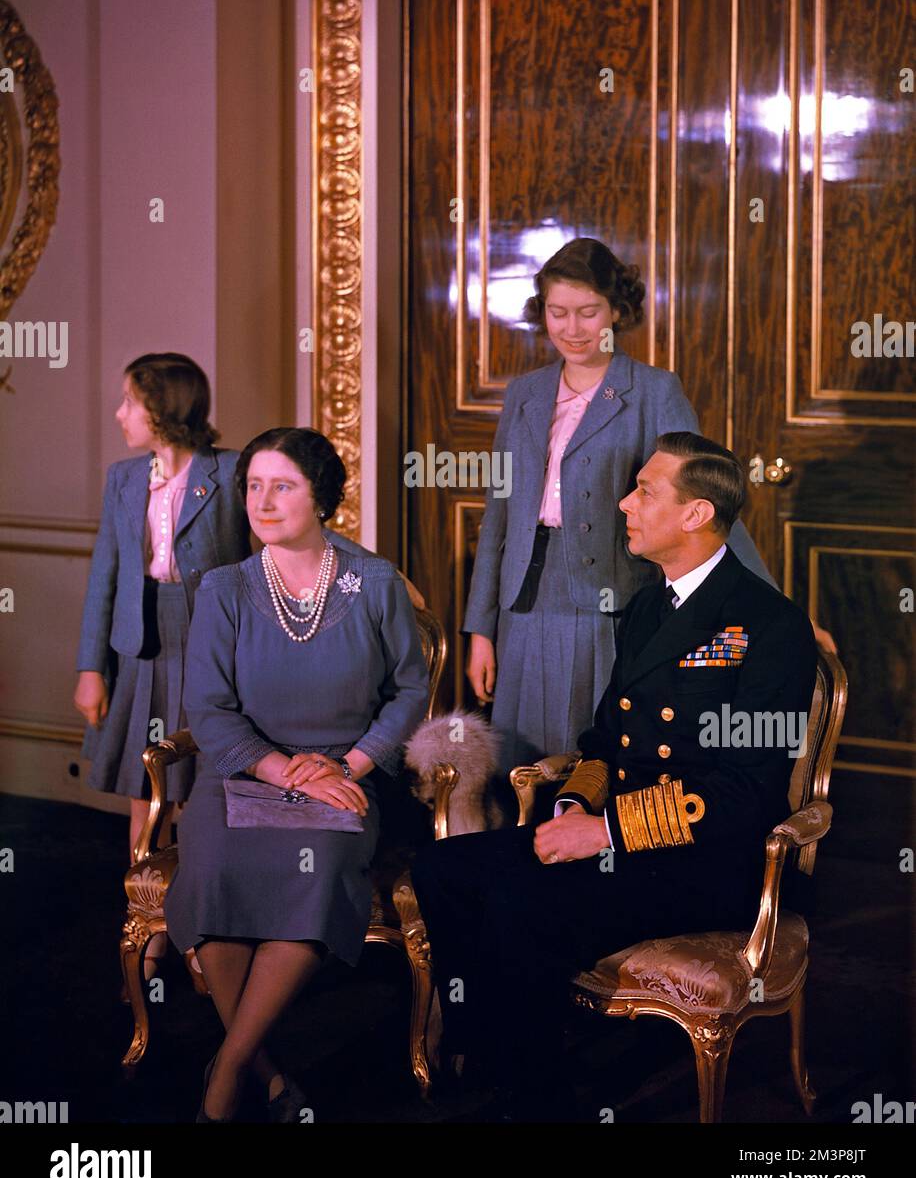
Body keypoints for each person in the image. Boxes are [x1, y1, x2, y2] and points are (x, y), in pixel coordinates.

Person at [412, 431, 818, 1122]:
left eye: (645, 491)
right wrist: (572, 807)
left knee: (520, 907)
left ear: (695, 515)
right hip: (614, 836)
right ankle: (496, 1058)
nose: (625, 503)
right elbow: (604, 741)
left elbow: (749, 794)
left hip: (699, 861)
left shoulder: (768, 625)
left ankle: (536, 1101)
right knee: (442, 868)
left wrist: (602, 833)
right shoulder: (649, 607)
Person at [463, 237, 830, 776]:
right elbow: (499, 515)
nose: (572, 328)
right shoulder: (524, 392)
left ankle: (585, 849)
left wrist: (781, 612)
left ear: (617, 310)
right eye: (558, 312)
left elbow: (706, 500)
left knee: (589, 751)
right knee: (518, 760)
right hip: (524, 601)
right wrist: (480, 629)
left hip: (608, 596)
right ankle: (525, 851)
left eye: (588, 312)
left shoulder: (653, 390)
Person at [163, 427, 429, 1122]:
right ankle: (261, 1070)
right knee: (214, 876)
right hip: (242, 776)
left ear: (322, 497)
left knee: (313, 878)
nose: (262, 500)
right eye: (253, 485)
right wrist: (283, 769)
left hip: (344, 778)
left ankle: (223, 1078)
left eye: (281, 485)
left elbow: (409, 690)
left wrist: (351, 764)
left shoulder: (372, 582)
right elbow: (209, 710)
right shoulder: (223, 590)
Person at [74, 353, 250, 977]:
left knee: (200, 787)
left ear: (162, 410)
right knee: (144, 792)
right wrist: (90, 668)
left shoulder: (229, 473)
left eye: (129, 402)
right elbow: (105, 575)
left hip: (209, 643)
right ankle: (147, 927)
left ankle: (202, 934)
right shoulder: (123, 478)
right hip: (141, 645)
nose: (120, 413)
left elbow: (277, 546)